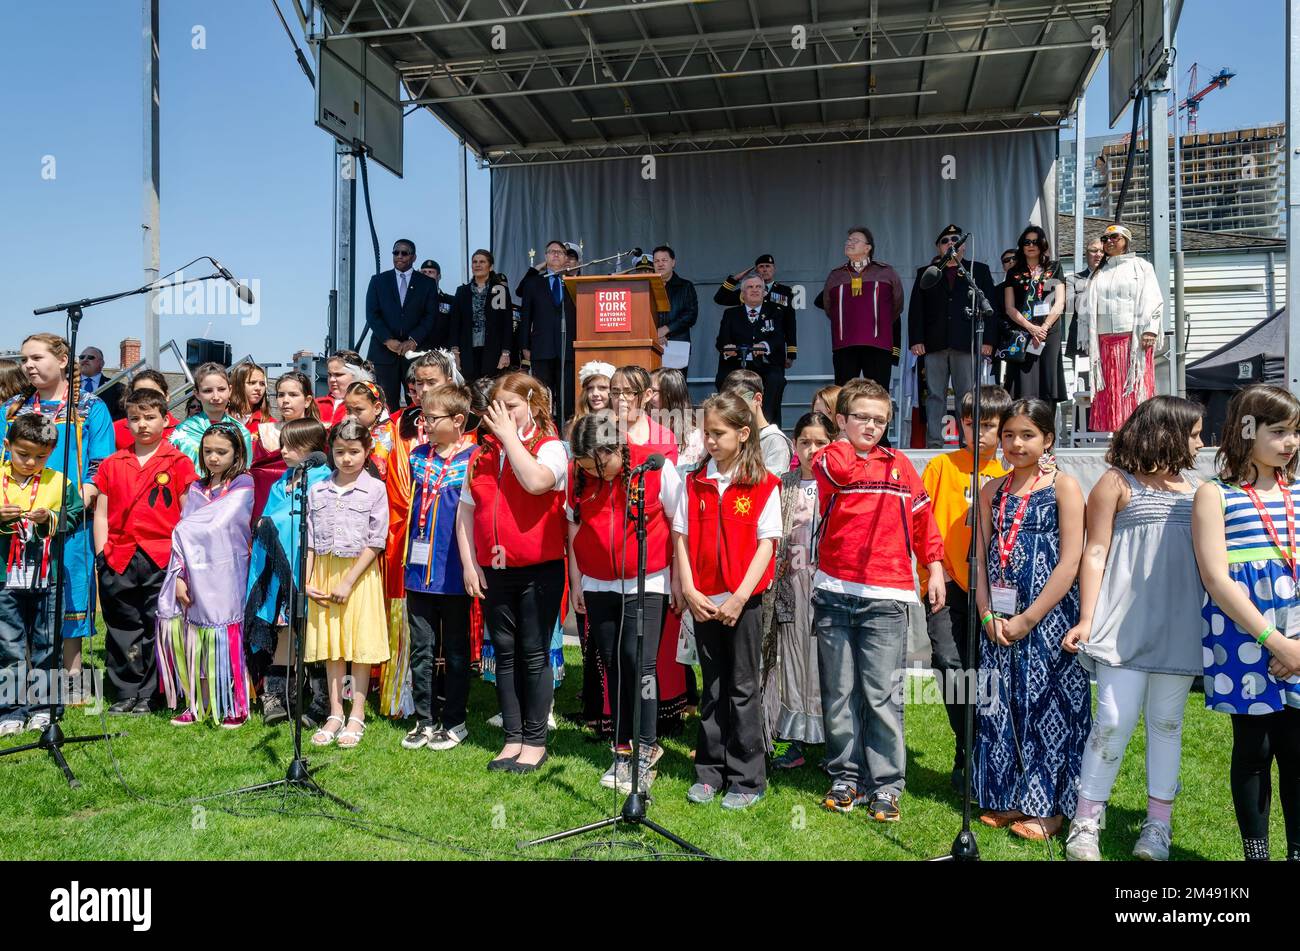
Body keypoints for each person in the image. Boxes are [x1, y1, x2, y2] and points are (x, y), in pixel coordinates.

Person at [1062, 395, 1206, 862]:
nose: (1201, 442)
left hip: (1180, 628)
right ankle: (1086, 823)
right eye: (1196, 432)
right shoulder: (1115, 483)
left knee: (1167, 724)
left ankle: (1157, 828)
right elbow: (1095, 552)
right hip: (1120, 626)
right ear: (1167, 431)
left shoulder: (1200, 490)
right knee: (1113, 723)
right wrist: (1086, 617)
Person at [812, 378, 944, 821]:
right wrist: (845, 438)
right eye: (862, 418)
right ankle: (845, 776)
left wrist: (936, 567)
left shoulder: (901, 465)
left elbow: (924, 522)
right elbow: (844, 471)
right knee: (839, 692)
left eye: (880, 420)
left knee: (882, 694)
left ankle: (887, 784)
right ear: (841, 419)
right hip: (834, 592)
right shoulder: (831, 456)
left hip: (886, 597)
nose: (871, 426)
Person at [1191, 384, 1300, 862]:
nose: (1291, 442)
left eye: (1296, 432)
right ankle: (1257, 854)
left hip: (1299, 641)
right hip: (1245, 639)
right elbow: (1216, 578)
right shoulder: (1215, 495)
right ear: (1247, 430)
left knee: (1297, 752)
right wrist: (1276, 642)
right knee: (1254, 751)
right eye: (1279, 431)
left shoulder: (1299, 493)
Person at [973, 398, 1088, 841]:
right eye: (1008, 435)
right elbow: (980, 559)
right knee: (1001, 704)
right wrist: (986, 613)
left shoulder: (1064, 487)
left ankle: (1050, 809)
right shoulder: (991, 491)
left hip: (1048, 617)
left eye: (1027, 435)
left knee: (1047, 707)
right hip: (997, 619)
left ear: (1048, 440)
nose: (1016, 444)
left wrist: (1029, 618)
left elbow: (1071, 561)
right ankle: (1007, 796)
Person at [673, 391, 780, 809]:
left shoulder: (763, 484)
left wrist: (739, 597)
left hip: (743, 603)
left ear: (743, 432)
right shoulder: (694, 481)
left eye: (718, 433)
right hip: (703, 600)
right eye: (706, 433)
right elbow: (680, 537)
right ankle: (709, 772)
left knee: (742, 688)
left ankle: (747, 779)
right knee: (712, 688)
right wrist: (690, 589)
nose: (711, 441)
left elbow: (767, 544)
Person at [457, 372, 567, 773]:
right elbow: (466, 511)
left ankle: (535, 741)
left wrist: (511, 440)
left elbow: (538, 482)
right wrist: (470, 564)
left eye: (512, 407)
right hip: (494, 568)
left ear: (532, 405)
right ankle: (514, 737)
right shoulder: (482, 453)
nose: (502, 415)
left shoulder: (549, 446)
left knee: (533, 653)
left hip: (540, 567)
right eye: (497, 408)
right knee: (504, 653)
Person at [569, 409, 683, 792]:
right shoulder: (579, 475)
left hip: (646, 580)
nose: (599, 475)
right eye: (589, 468)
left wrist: (679, 579)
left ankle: (647, 747)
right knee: (613, 663)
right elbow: (574, 525)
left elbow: (677, 522)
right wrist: (578, 579)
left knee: (641, 663)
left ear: (618, 446)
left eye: (603, 465)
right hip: (599, 583)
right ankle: (621, 749)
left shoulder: (654, 466)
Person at [1, 333, 114, 681]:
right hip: (15, 520)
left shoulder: (90, 407)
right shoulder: (13, 408)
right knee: (17, 596)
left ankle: (71, 674)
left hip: (69, 518)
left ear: (63, 360)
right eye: (24, 360)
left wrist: (74, 500)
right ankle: (24, 673)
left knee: (70, 588)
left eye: (37, 358)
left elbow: (100, 464)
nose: (29, 366)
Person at [919, 385, 1012, 790]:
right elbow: (921, 524)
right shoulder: (941, 466)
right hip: (948, 582)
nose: (980, 435)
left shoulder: (1013, 472)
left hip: (995, 587)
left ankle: (986, 753)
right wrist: (934, 570)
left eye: (990, 426)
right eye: (972, 424)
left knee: (989, 671)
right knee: (950, 664)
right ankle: (966, 746)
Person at [95, 388, 197, 716]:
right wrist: (102, 552)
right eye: (135, 418)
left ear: (165, 420)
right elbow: (101, 511)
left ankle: (153, 692)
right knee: (123, 625)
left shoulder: (178, 462)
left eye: (150, 418)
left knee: (159, 625)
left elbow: (187, 515)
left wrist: (183, 561)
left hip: (161, 555)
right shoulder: (113, 463)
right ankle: (126, 689)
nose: (142, 425)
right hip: (119, 554)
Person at [394, 383, 477, 751]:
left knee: (457, 649)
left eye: (432, 417)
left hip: (456, 570)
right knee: (421, 647)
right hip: (418, 569)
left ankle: (456, 720)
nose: (424, 423)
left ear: (458, 420)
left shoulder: (475, 458)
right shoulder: (416, 457)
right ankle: (424, 720)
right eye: (423, 416)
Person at [379, 349, 461, 720]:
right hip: (407, 536)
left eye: (433, 382)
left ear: (450, 383)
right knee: (418, 624)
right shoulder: (398, 425)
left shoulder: (465, 431)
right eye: (418, 383)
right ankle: (411, 693)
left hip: (451, 542)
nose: (423, 389)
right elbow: (392, 486)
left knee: (452, 627)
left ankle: (451, 697)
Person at [155, 424, 255, 727]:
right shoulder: (197, 488)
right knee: (195, 636)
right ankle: (198, 702)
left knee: (227, 636)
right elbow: (187, 528)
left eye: (221, 452)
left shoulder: (243, 484)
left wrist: (184, 530)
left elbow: (214, 524)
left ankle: (236, 703)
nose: (213, 458)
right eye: (208, 451)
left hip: (227, 572)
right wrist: (180, 575)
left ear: (237, 453)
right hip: (194, 572)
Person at [304, 419, 391, 749]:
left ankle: (357, 713)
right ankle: (335, 712)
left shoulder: (375, 489)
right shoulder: (317, 489)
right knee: (333, 646)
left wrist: (349, 580)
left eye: (354, 452)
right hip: (325, 572)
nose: (347, 459)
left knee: (358, 646)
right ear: (330, 452)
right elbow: (311, 540)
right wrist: (308, 580)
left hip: (358, 574)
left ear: (367, 452)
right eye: (340, 452)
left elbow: (377, 539)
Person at [0, 412, 83, 734]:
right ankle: (11, 710)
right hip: (6, 579)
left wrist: (49, 517)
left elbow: (75, 516)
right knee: (9, 644)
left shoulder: (59, 481)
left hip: (47, 578)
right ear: (7, 445)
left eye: (40, 456)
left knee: (47, 643)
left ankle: (44, 707)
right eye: (23, 454)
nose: (31, 462)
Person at [244, 418, 331, 726]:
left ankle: (322, 697)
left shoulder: (323, 479)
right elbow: (271, 517)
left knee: (311, 634)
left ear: (313, 449)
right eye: (282, 444)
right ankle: (277, 694)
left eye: (292, 446)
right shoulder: (283, 481)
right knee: (281, 630)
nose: (284, 451)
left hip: (308, 570)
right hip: (278, 573)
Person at [762, 411, 834, 770]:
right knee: (789, 662)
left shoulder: (837, 485)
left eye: (820, 442)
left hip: (826, 590)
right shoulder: (783, 484)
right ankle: (791, 738)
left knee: (826, 664)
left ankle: (835, 740)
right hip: (789, 588)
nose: (812, 449)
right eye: (805, 442)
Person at [908, 224, 999, 448]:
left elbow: (991, 307)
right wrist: (916, 340)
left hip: (966, 343)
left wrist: (988, 341)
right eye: (945, 241)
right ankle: (934, 444)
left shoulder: (978, 270)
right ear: (938, 247)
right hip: (934, 343)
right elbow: (916, 309)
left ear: (964, 246)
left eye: (955, 240)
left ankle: (967, 444)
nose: (950, 244)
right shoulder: (927, 272)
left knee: (966, 396)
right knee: (935, 395)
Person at [1085, 223, 1164, 432]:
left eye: (1115, 238)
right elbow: (1088, 307)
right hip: (1104, 341)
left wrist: (1150, 329)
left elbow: (1153, 298)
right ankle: (1113, 435)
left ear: (1126, 242)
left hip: (1132, 340)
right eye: (1105, 239)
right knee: (1109, 391)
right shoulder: (1098, 272)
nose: (1109, 242)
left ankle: (1138, 432)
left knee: (1133, 388)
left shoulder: (1140, 266)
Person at [816, 226, 904, 388]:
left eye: (855, 240)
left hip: (878, 345)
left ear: (867, 247)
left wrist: (878, 324)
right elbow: (830, 308)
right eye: (848, 240)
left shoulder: (886, 272)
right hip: (845, 345)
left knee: (878, 395)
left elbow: (897, 305)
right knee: (844, 396)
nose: (849, 243)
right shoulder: (836, 275)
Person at [364, 238, 438, 411]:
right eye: (396, 252)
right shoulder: (378, 281)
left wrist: (413, 340)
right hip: (383, 353)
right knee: (383, 402)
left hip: (414, 354)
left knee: (417, 401)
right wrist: (388, 340)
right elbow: (372, 315)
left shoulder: (426, 283)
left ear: (413, 257)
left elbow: (430, 316)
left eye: (404, 253)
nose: (399, 256)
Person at [1001, 226, 1066, 404]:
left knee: (1047, 380)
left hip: (1049, 331)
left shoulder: (1055, 267)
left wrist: (1043, 328)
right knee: (1022, 381)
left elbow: (1059, 302)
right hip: (1023, 331)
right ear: (1022, 245)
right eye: (1027, 242)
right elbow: (1009, 307)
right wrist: (1031, 328)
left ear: (1043, 244)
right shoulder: (1013, 272)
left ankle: (1046, 427)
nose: (1031, 245)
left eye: (1036, 242)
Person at [516, 240, 578, 425]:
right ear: (546, 257)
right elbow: (525, 315)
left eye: (560, 252)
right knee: (543, 394)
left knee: (567, 395)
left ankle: (566, 431)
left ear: (567, 258)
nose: (556, 255)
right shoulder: (535, 282)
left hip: (568, 347)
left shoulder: (574, 281)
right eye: (551, 252)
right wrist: (524, 345)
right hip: (542, 347)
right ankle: (544, 429)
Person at [715, 275, 788, 426]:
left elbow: (779, 339)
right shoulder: (731, 314)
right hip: (737, 364)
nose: (755, 290)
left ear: (764, 292)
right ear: (742, 293)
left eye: (758, 287)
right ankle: (730, 421)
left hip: (765, 364)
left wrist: (764, 346)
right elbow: (721, 341)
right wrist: (727, 348)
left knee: (776, 379)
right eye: (750, 287)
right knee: (723, 377)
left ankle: (764, 424)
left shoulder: (776, 311)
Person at [250, 370, 322, 522]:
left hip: (304, 508)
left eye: (293, 395)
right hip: (263, 505)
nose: (285, 400)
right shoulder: (263, 431)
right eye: (281, 395)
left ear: (308, 400)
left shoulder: (319, 432)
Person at [715, 253, 798, 374]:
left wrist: (791, 353)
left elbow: (790, 324)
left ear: (774, 269)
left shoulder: (785, 291)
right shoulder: (747, 290)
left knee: (774, 385)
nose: (765, 269)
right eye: (761, 266)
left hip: (772, 350)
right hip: (748, 352)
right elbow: (719, 298)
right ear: (756, 270)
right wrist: (735, 279)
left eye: (768, 266)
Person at [169, 362, 253, 466]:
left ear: (230, 390)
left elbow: (244, 473)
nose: (216, 397)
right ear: (197, 394)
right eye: (208, 391)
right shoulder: (183, 431)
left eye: (221, 389)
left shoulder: (241, 433)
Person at [450, 249, 514, 381]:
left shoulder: (499, 290)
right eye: (474, 262)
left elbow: (506, 324)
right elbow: (455, 324)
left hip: (492, 351)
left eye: (482, 262)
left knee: (490, 389)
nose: (477, 265)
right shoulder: (462, 291)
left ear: (490, 267)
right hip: (467, 351)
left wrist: (505, 352)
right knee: (470, 390)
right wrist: (455, 352)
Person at [722, 368, 791, 475]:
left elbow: (773, 484)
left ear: (758, 399)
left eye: (740, 403)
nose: (734, 410)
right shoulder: (730, 435)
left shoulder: (775, 441)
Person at [648, 367, 704, 469]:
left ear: (670, 394)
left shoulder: (695, 436)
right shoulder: (644, 426)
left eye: (652, 391)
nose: (647, 396)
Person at [112, 370, 179, 451]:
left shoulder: (182, 430)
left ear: (166, 396)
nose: (146, 397)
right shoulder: (115, 429)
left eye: (153, 393)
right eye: (139, 392)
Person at [652, 245, 699, 355]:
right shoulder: (647, 286)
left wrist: (666, 329)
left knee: (676, 373)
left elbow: (691, 315)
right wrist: (654, 333)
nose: (660, 264)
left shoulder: (685, 286)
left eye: (664, 260)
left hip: (677, 343)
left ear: (673, 263)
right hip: (652, 342)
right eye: (656, 261)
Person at [343, 380, 396, 477]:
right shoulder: (356, 426)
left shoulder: (386, 433)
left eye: (359, 410)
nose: (352, 416)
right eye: (348, 410)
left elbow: (377, 471)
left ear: (377, 408)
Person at [1065, 235, 1105, 359]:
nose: (1098, 254)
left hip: (1107, 335)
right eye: (1094, 250)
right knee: (1083, 378)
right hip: (1080, 338)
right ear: (1086, 254)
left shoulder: (1114, 279)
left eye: (1102, 251)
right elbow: (1069, 304)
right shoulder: (1073, 279)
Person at [317, 350, 375, 427]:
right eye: (330, 375)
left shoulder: (371, 403)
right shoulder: (315, 404)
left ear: (357, 376)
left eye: (338, 374)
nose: (331, 379)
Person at [565, 360, 613, 442]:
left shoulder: (621, 423)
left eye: (602, 388)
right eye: (590, 388)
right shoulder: (575, 425)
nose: (595, 393)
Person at [418, 258, 458, 349]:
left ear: (439, 276)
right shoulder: (411, 301)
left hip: (443, 352)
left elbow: (454, 329)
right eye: (424, 272)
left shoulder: (451, 300)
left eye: (431, 272)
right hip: (419, 353)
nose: (427, 275)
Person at [78, 346, 124, 420]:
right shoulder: (67, 384)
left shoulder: (116, 388)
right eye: (82, 357)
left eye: (90, 357)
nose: (85, 360)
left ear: (102, 363)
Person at [229, 362, 274, 430]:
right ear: (237, 385)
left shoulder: (270, 424)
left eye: (262, 384)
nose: (258, 388)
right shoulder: (221, 416)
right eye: (252, 383)